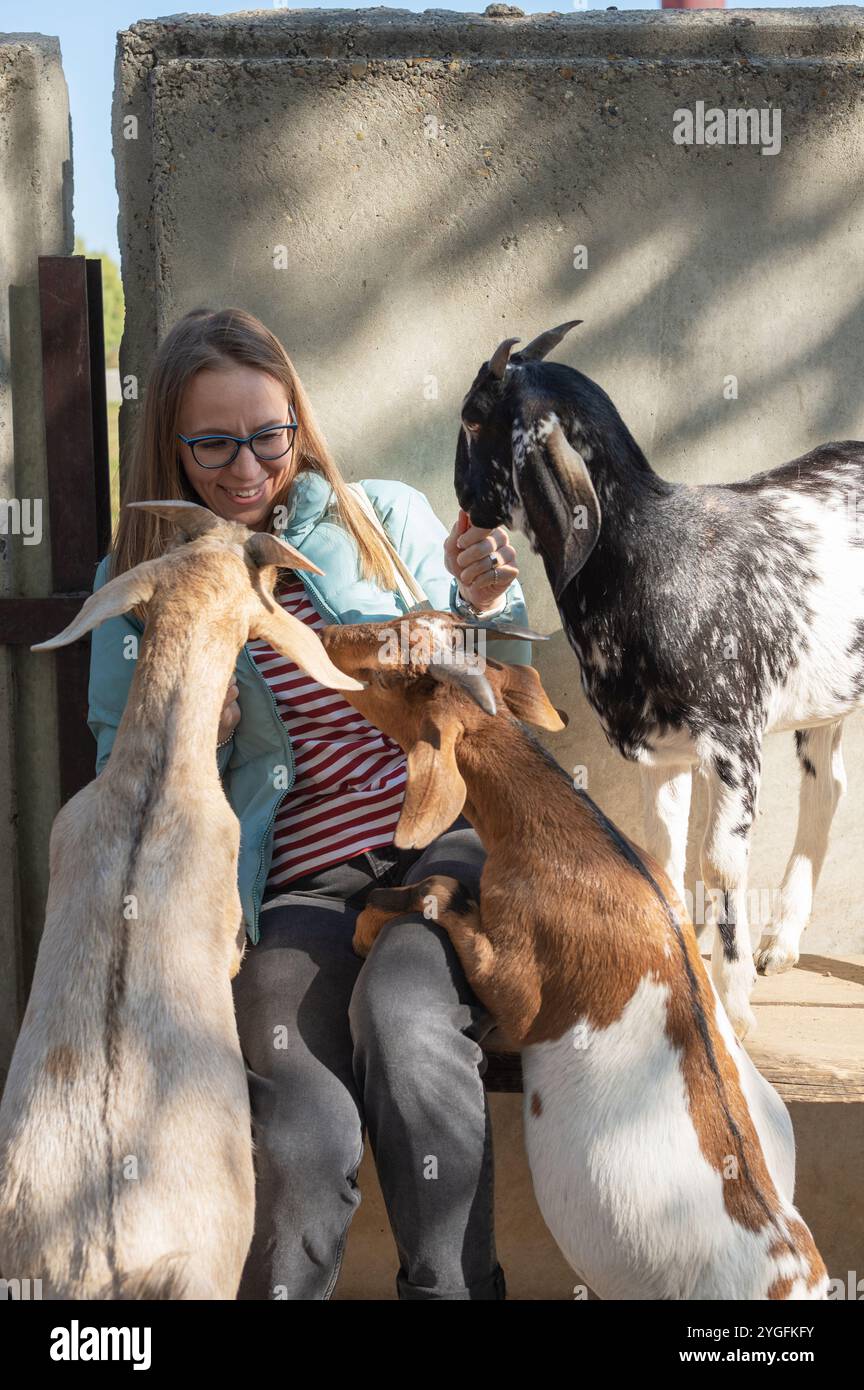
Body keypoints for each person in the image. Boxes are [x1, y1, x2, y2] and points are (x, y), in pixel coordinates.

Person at [87, 306, 531, 1301]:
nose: (247, 467)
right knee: (298, 1129)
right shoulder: (140, 583)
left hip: (439, 850)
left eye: (268, 435)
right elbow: (122, 774)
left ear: (298, 420)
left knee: (409, 1017)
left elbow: (493, 686)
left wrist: (479, 606)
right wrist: (188, 729)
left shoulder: (381, 520)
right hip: (292, 892)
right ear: (170, 439)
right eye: (212, 442)